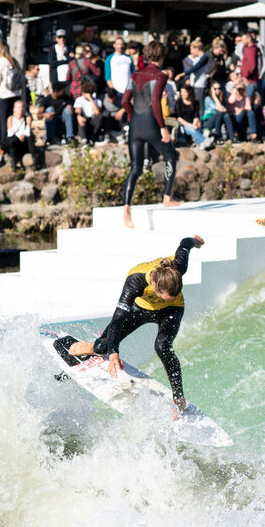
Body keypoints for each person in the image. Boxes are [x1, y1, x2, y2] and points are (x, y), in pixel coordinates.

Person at [68, 235, 205, 414]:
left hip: (171, 310)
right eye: (164, 296)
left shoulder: (179, 266)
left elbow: (185, 243)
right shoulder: (135, 281)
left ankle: (178, 396)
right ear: (155, 286)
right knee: (104, 347)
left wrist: (196, 241)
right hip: (139, 309)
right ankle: (92, 346)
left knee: (163, 346)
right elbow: (117, 318)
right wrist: (113, 353)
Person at [120, 40, 180, 228]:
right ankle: (167, 198)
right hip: (152, 125)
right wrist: (162, 127)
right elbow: (155, 103)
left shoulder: (136, 74)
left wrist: (133, 116)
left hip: (135, 126)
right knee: (170, 155)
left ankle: (127, 209)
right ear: (161, 56)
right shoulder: (160, 75)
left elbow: (124, 101)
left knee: (135, 168)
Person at [0, 42, 22, 145]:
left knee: (3, 121)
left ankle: (4, 143)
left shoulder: (0, 62)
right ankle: (15, 140)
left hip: (3, 95)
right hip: (15, 94)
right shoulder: (14, 61)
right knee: (14, 118)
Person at [2, 100, 42, 170]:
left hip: (24, 142)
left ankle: (35, 160)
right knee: (12, 139)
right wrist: (19, 136)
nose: (20, 109)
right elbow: (10, 133)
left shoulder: (27, 118)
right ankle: (13, 162)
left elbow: (28, 132)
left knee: (29, 138)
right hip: (14, 142)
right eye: (18, 107)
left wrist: (27, 127)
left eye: (22, 107)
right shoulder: (10, 119)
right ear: (14, 109)